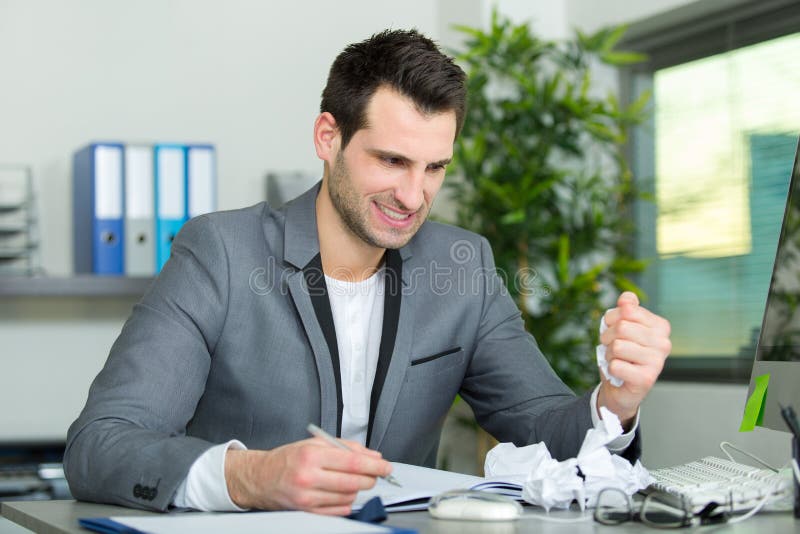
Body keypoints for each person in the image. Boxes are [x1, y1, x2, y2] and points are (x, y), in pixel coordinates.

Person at [64, 29, 671, 515]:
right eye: (391, 160)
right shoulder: (221, 251)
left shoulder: (462, 267)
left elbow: (543, 427)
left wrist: (613, 403)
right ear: (328, 137)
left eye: (435, 167)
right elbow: (101, 445)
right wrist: (251, 475)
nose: (413, 195)